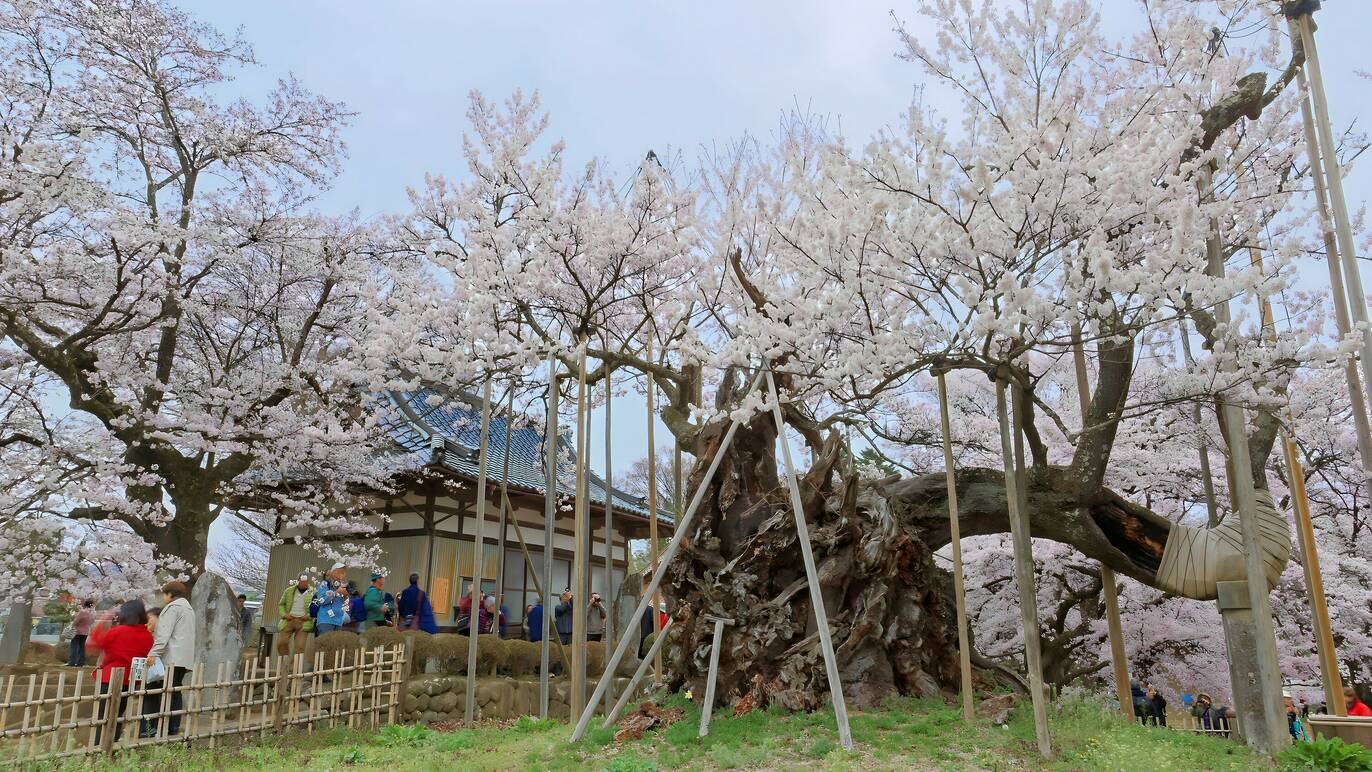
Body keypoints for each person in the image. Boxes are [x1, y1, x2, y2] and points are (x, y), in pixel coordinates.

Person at [87, 600, 153, 743]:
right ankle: (113, 743)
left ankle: (99, 745)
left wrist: (107, 616)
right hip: (131, 678)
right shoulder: (148, 636)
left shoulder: (116, 631)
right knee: (118, 714)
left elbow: (94, 641)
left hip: (110, 677)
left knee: (103, 716)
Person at [146, 581, 195, 736]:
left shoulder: (172, 608)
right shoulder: (188, 609)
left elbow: (163, 635)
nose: (164, 597)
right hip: (184, 657)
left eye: (165, 594)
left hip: (172, 657)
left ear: (170, 594)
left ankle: (168, 727)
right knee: (175, 690)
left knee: (169, 691)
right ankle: (173, 726)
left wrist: (153, 653)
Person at [277, 573, 315, 656]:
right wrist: (284, 614)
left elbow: (316, 606)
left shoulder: (313, 591)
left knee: (300, 646)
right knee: (282, 642)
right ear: (298, 581)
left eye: (306, 581)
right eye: (302, 581)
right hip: (289, 619)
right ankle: (284, 662)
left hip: (303, 621)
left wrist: (309, 616)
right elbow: (281, 604)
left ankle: (294, 666)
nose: (304, 583)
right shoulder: (289, 590)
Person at [68, 599, 96, 667]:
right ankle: (80, 662)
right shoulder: (93, 613)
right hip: (86, 631)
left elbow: (76, 621)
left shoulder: (82, 612)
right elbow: (92, 622)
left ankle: (72, 662)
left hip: (77, 631)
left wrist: (71, 626)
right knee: (82, 647)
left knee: (74, 646)